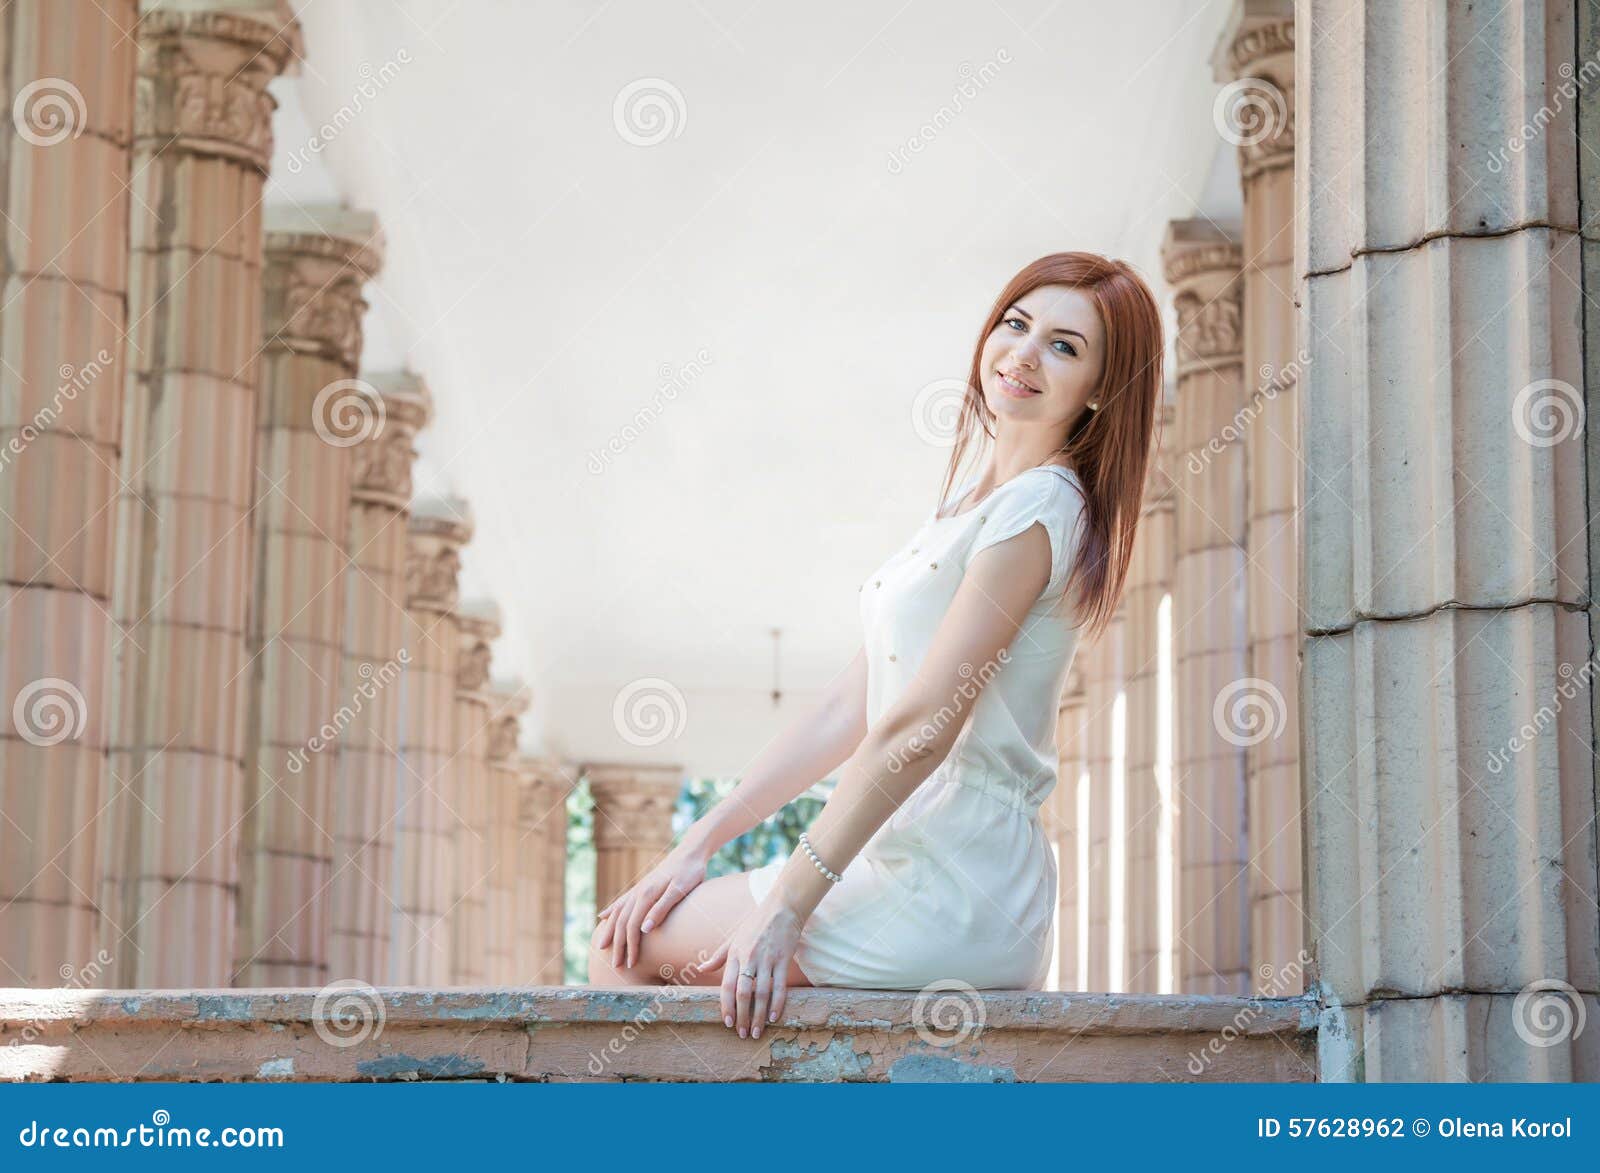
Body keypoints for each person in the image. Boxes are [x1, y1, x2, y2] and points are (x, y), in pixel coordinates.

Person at [587, 251, 1164, 1042]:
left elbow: (923, 721)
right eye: (1016, 323)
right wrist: (694, 845)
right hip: (900, 851)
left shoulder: (1042, 506)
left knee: (627, 951)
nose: (1025, 354)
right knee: (632, 939)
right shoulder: (970, 506)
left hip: (954, 878)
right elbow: (850, 706)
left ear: (1101, 386)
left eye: (1065, 346)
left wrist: (789, 903)